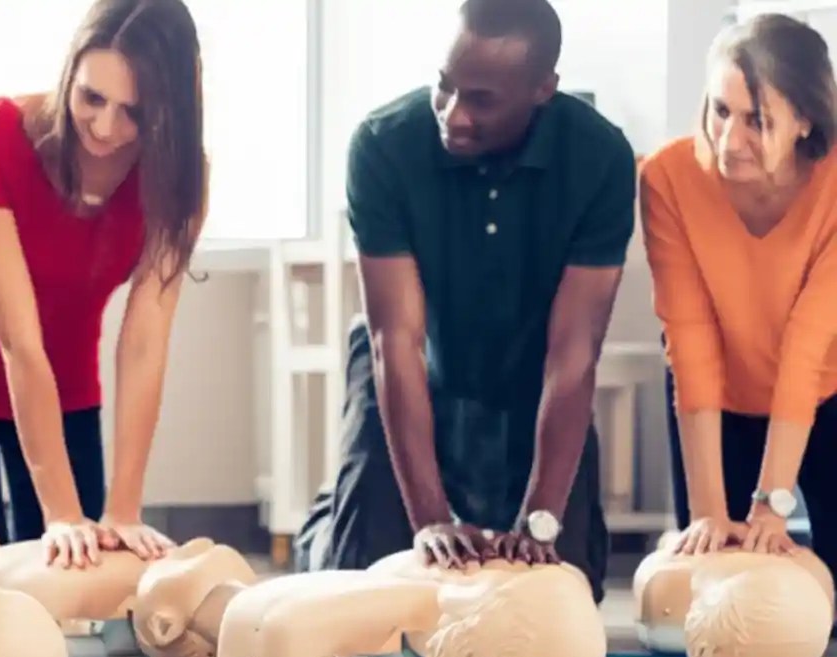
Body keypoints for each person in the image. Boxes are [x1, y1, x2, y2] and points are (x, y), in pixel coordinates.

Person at [294, 0, 637, 604]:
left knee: (560, 589)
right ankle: (332, 516)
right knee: (364, 582)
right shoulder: (382, 145)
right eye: (444, 86)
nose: (453, 114)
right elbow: (395, 342)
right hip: (415, 367)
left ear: (542, 90)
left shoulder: (601, 157)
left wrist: (540, 520)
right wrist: (431, 521)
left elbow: (575, 352)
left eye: (481, 100)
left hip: (535, 375)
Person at [0, 0, 207, 570]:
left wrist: (123, 509)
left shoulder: (179, 177)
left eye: (134, 113)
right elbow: (21, 345)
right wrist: (62, 513)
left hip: (66, 393)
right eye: (92, 98)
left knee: (75, 577)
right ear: (69, 72)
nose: (105, 128)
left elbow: (145, 342)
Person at [643, 15, 837, 567]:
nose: (730, 141)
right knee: (713, 572)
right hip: (717, 396)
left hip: (826, 389)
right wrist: (708, 511)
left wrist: (772, 506)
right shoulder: (668, 177)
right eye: (721, 110)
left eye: (758, 120)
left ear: (804, 120)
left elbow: (808, 344)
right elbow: (689, 338)